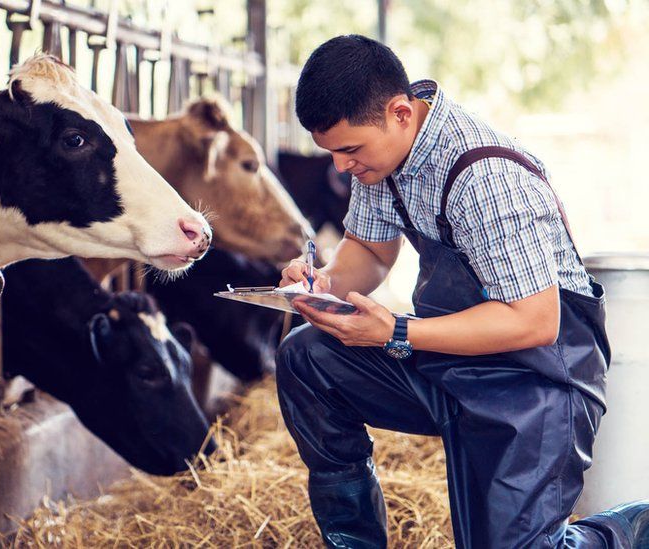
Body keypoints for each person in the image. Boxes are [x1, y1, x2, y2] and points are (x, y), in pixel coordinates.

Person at [276, 34, 648, 548]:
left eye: (349, 150)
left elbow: (535, 322)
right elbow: (370, 250)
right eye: (333, 152)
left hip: (536, 380)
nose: (341, 167)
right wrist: (323, 285)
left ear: (401, 113)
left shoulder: (485, 176)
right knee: (307, 357)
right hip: (452, 362)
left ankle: (629, 530)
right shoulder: (380, 158)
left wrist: (397, 330)